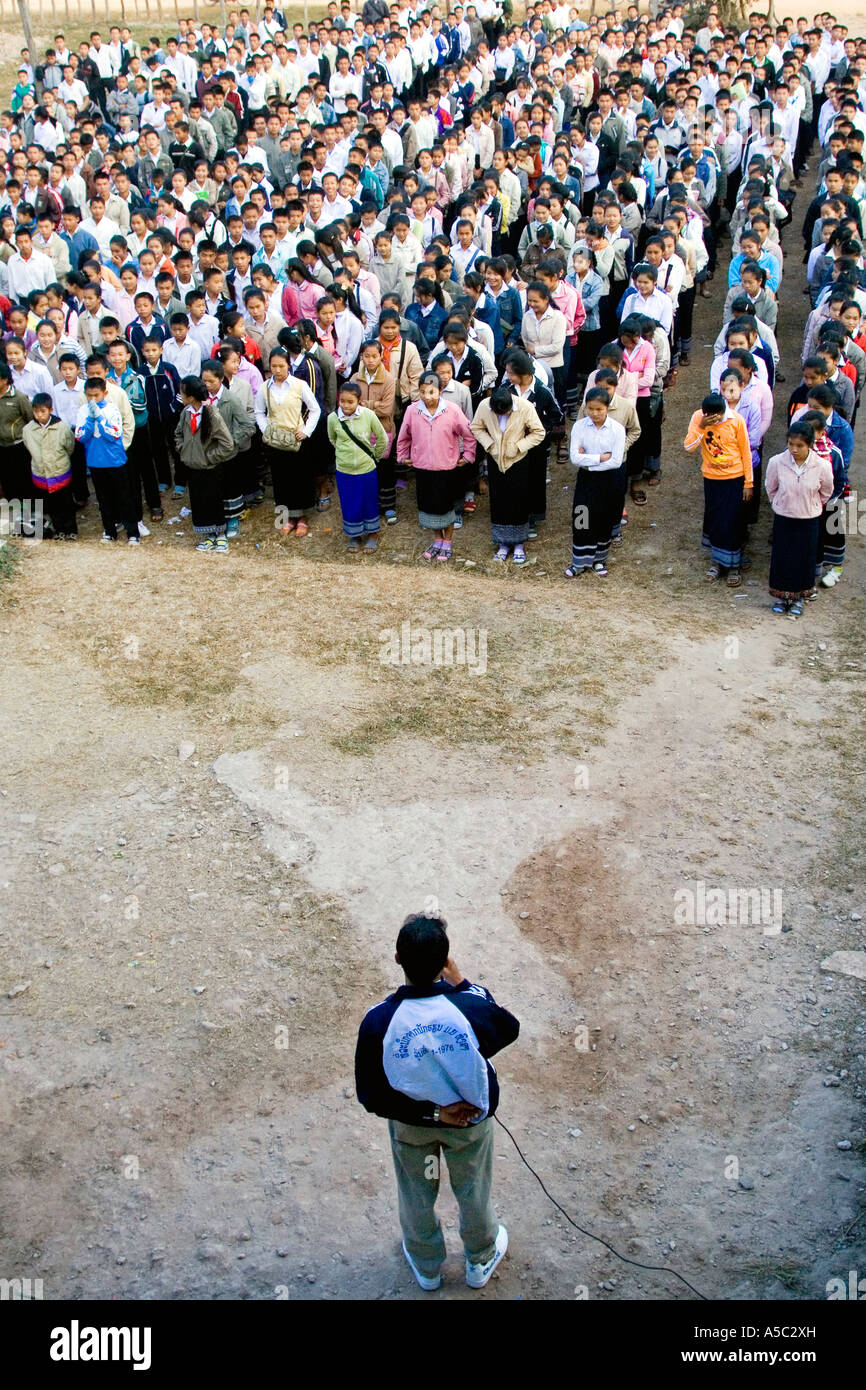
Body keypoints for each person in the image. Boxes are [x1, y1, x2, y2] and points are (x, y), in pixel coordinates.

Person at [354, 910, 519, 1291]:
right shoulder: (468, 1007)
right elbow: (507, 1027)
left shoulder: (379, 1021)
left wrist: (431, 1112)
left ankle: (427, 1266)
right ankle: (480, 1257)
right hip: (470, 1122)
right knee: (473, 1188)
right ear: (445, 962)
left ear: (397, 959)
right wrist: (462, 983)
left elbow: (371, 1094)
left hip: (412, 1126)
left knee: (416, 1192)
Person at [396, 370, 476, 562]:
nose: (427, 397)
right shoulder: (412, 411)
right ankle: (437, 539)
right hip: (423, 468)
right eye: (423, 392)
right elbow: (404, 437)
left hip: (446, 468)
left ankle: (447, 541)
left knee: (445, 507)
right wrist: (402, 456)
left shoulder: (452, 410)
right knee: (429, 507)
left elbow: (469, 434)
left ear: (440, 391)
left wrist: (468, 455)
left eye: (431, 392)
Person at [683, 391, 753, 588]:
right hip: (712, 478)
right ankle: (716, 562)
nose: (716, 419)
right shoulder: (698, 418)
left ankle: (733, 566)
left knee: (732, 521)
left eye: (718, 416)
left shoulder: (736, 420)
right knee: (715, 518)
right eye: (711, 416)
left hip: (734, 478)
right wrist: (701, 427)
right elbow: (689, 446)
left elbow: (745, 452)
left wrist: (749, 483)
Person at [765, 421, 834, 616]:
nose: (794, 449)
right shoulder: (777, 462)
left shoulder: (821, 466)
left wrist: (810, 506)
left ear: (810, 445)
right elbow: (771, 488)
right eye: (790, 444)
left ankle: (799, 599)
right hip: (784, 519)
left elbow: (826, 491)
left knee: (803, 559)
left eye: (799, 446)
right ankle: (781, 596)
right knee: (782, 558)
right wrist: (780, 504)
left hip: (809, 520)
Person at [470, 384, 545, 564]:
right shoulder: (484, 406)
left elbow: (538, 432)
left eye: (505, 412)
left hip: (518, 460)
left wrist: (519, 447)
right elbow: (476, 427)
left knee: (518, 500)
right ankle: (502, 543)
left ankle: (519, 544)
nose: (502, 415)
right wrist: (490, 445)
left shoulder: (525, 407)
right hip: (496, 460)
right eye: (498, 413)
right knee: (499, 500)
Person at [254, 346, 321, 538]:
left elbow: (315, 409)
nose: (277, 370)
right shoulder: (265, 387)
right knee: (280, 479)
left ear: (288, 365)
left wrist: (306, 431)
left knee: (300, 478)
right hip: (276, 442)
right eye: (273, 366)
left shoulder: (299, 385)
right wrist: (266, 429)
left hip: (296, 440)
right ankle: (286, 517)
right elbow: (259, 411)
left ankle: (302, 518)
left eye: (281, 366)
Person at [566, 386, 627, 579]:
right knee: (581, 517)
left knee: (604, 518)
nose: (594, 414)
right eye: (591, 409)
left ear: (607, 408)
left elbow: (616, 461)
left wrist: (589, 458)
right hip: (586, 480)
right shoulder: (579, 427)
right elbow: (575, 458)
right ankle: (579, 562)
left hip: (609, 481)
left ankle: (599, 559)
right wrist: (600, 458)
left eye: (599, 409)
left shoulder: (617, 429)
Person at [74, 374, 139, 545]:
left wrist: (100, 418)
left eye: (96, 395)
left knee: (124, 496)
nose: (93, 399)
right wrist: (90, 418)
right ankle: (109, 530)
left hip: (114, 460)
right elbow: (80, 436)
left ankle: (133, 532)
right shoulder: (82, 410)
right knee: (103, 499)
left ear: (104, 393)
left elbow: (114, 434)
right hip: (95, 461)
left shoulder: (112, 409)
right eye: (89, 395)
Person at [174, 376, 237, 553]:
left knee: (214, 501)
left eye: (182, 392)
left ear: (191, 396)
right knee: (198, 502)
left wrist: (209, 457)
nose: (180, 394)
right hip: (192, 468)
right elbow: (178, 434)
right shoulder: (186, 413)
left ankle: (221, 535)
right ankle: (209, 535)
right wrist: (184, 450)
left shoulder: (211, 414)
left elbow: (227, 444)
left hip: (210, 468)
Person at [327, 378, 388, 552]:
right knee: (349, 502)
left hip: (366, 469)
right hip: (344, 471)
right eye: (342, 401)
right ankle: (354, 535)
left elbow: (382, 438)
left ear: (359, 401)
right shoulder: (333, 419)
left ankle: (372, 534)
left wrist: (374, 456)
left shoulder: (368, 415)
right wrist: (343, 454)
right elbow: (333, 439)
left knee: (369, 501)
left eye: (350, 402)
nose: (345, 405)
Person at [22, 391, 76, 540]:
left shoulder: (62, 428)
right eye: (36, 411)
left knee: (66, 502)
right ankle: (59, 529)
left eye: (43, 411)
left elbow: (69, 447)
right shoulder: (28, 430)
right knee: (51, 504)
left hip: (60, 471)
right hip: (41, 473)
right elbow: (28, 448)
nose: (39, 415)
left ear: (51, 410)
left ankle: (71, 530)